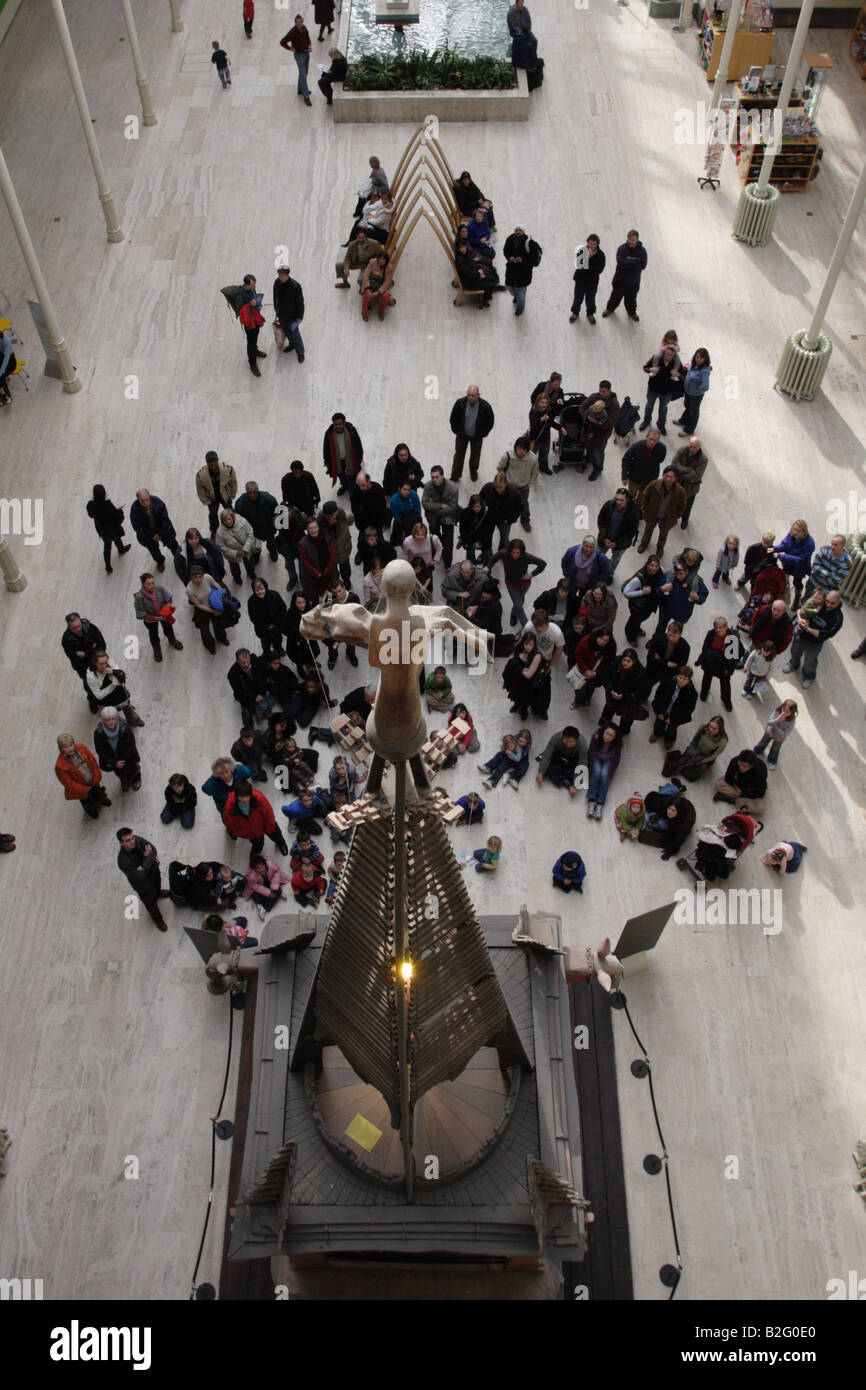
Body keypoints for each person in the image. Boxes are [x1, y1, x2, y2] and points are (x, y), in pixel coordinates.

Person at [783, 589, 843, 688]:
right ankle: (793, 664)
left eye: (832, 603)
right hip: (802, 634)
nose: (828, 605)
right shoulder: (818, 602)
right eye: (827, 601)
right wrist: (800, 619)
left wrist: (807, 628)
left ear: (838, 603)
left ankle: (808, 677)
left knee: (810, 660)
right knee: (795, 650)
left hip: (815, 642)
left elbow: (825, 634)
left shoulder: (837, 618)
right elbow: (801, 610)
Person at [117, 828, 170, 931]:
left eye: (132, 837)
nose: (133, 841)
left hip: (153, 872)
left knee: (157, 884)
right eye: (128, 840)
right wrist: (147, 859)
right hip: (143, 885)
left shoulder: (137, 840)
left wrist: (143, 866)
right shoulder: (123, 862)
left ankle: (158, 893)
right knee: (150, 903)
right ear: (121, 843)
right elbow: (139, 877)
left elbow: (153, 850)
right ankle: (158, 919)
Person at [489, 537, 545, 628]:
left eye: (518, 553)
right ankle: (527, 627)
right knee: (519, 605)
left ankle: (513, 614)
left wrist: (531, 574)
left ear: (521, 552)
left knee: (519, 601)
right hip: (511, 585)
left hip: (525, 584)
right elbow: (494, 558)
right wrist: (488, 567)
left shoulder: (526, 557)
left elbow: (542, 563)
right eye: (513, 552)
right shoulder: (504, 553)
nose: (515, 555)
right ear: (509, 550)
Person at [223, 781, 289, 855]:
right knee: (257, 844)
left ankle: (281, 844)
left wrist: (270, 827)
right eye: (241, 796)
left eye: (247, 796)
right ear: (236, 796)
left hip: (264, 824)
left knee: (276, 835)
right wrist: (238, 831)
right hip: (251, 831)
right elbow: (228, 820)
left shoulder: (259, 799)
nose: (244, 799)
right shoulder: (230, 805)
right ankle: (256, 851)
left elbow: (268, 814)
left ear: (251, 794)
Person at [55, 734, 111, 819]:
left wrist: (96, 776)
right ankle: (92, 811)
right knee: (87, 802)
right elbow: (69, 783)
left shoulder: (81, 748)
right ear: (61, 749)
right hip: (81, 789)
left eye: (71, 745)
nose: (70, 748)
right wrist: (85, 789)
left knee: (98, 793)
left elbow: (92, 761)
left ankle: (102, 800)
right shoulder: (60, 766)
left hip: (92, 781)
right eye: (66, 747)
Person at [637, 467, 687, 558]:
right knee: (648, 530)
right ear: (663, 475)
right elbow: (645, 496)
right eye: (666, 476)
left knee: (663, 535)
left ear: (675, 478)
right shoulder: (654, 485)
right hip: (652, 514)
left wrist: (676, 516)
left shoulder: (680, 492)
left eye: (671, 477)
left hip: (667, 518)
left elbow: (682, 506)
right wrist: (645, 508)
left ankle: (660, 548)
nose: (668, 479)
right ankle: (644, 543)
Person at [694, 616, 742, 711]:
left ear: (726, 627)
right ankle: (704, 693)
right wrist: (701, 659)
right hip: (711, 662)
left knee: (725, 684)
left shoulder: (732, 638)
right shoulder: (711, 634)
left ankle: (726, 700)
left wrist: (729, 669)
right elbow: (705, 648)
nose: (718, 629)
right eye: (716, 627)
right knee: (707, 678)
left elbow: (735, 657)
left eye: (720, 627)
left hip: (724, 666)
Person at [134, 572, 184, 662]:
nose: (152, 585)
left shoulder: (159, 588)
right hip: (151, 620)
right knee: (153, 634)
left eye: (152, 582)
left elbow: (168, 598)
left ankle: (172, 640)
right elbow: (141, 614)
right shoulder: (139, 597)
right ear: (143, 584)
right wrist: (157, 618)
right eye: (148, 584)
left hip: (164, 615)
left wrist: (168, 606)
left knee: (168, 628)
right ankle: (157, 649)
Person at [449, 385, 495, 483]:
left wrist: (483, 433)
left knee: (475, 456)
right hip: (462, 435)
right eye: (469, 395)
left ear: (478, 395)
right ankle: (455, 474)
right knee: (459, 456)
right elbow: (453, 418)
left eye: (473, 395)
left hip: (477, 436)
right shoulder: (460, 403)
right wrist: (456, 431)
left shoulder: (485, 406)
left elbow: (490, 421)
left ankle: (473, 471)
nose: (470, 397)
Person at [62, 613, 108, 711]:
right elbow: (74, 658)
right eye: (74, 628)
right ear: (69, 627)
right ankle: (92, 700)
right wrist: (93, 650)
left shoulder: (91, 628)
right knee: (89, 686)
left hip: (99, 662)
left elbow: (102, 646)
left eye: (79, 626)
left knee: (106, 680)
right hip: (83, 668)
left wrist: (85, 654)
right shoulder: (67, 640)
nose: (78, 629)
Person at [86, 651, 145, 726]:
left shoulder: (110, 663)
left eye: (105, 663)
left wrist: (113, 672)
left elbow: (120, 676)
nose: (104, 666)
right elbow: (99, 695)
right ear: (95, 663)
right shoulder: (91, 676)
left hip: (119, 694)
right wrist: (114, 684)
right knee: (113, 715)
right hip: (107, 700)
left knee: (127, 707)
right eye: (101, 664)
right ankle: (121, 726)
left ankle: (134, 720)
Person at [654, 556, 708, 635]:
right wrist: (662, 589)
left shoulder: (696, 581)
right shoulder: (670, 576)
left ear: (687, 572)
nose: (678, 576)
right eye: (676, 573)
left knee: (676, 631)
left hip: (682, 613)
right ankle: (657, 639)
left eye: (680, 574)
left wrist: (697, 598)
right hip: (666, 609)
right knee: (661, 626)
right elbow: (657, 589)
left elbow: (704, 594)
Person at [598, 648, 646, 735]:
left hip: (627, 701)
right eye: (624, 660)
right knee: (609, 708)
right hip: (612, 694)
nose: (625, 663)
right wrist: (610, 688)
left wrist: (625, 696)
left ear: (634, 661)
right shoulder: (615, 662)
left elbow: (640, 692)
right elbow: (606, 674)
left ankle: (623, 730)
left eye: (628, 661)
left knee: (627, 717)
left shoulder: (640, 673)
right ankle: (605, 722)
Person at [129, 489, 180, 572]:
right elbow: (137, 527)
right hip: (147, 536)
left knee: (173, 545)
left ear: (149, 496)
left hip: (164, 530)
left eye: (147, 500)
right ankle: (160, 561)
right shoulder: (135, 510)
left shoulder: (158, 502)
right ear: (138, 500)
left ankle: (179, 559)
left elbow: (165, 518)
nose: (146, 503)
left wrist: (160, 533)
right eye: (142, 501)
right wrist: (152, 535)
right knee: (154, 550)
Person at [638, 787, 696, 859]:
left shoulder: (684, 826)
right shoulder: (671, 801)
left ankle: (675, 788)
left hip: (680, 822)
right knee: (657, 802)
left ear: (678, 812)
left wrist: (670, 852)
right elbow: (665, 809)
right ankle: (676, 788)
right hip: (679, 804)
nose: (669, 812)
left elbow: (678, 841)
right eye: (669, 809)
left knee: (649, 822)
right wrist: (658, 815)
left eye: (673, 810)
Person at [503, 631, 550, 719]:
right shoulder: (519, 649)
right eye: (526, 643)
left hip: (528, 684)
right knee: (516, 696)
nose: (528, 647)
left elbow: (529, 675)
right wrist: (521, 670)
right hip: (517, 681)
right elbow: (510, 661)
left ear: (534, 644)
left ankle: (524, 711)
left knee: (525, 700)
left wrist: (518, 669)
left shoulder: (537, 656)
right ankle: (516, 706)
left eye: (530, 644)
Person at [185, 563, 231, 654]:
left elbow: (218, 587)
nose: (198, 580)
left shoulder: (207, 577)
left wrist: (221, 601)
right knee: (204, 630)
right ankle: (209, 645)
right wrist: (213, 611)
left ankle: (221, 637)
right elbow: (198, 605)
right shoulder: (189, 590)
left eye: (200, 576)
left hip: (213, 603)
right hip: (202, 608)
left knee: (219, 623)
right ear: (191, 577)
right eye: (195, 577)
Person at [579, 381, 620, 480]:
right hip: (588, 430)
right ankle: (588, 459)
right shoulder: (594, 397)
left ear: (609, 391)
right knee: (588, 446)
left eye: (604, 391)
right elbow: (582, 407)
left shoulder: (614, 404)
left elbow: (612, 421)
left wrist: (596, 422)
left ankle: (597, 468)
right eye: (600, 391)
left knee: (598, 452)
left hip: (601, 434)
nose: (601, 393)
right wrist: (587, 417)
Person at [603, 230, 647, 321]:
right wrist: (635, 262)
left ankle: (632, 312)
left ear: (637, 239)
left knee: (631, 300)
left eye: (633, 240)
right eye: (629, 239)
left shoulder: (642, 251)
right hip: (620, 281)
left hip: (633, 282)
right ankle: (610, 309)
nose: (630, 242)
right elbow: (620, 263)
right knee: (615, 297)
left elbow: (643, 265)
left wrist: (628, 263)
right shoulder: (622, 249)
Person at [94, 707, 141, 792]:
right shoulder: (98, 733)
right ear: (103, 720)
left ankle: (136, 779)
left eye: (113, 719)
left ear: (117, 718)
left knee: (134, 769)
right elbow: (100, 751)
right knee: (119, 773)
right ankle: (124, 781)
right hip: (113, 761)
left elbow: (131, 746)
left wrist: (121, 760)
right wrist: (114, 762)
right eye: (108, 720)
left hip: (128, 757)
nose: (111, 722)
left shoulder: (125, 729)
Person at [421, 467, 459, 569]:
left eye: (437, 477)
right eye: (432, 477)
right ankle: (435, 553)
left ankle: (447, 564)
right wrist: (440, 505)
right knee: (434, 537)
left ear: (442, 476)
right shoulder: (428, 486)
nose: (434, 479)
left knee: (448, 541)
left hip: (446, 515)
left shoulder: (453, 488)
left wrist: (434, 509)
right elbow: (424, 503)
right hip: (434, 516)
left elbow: (452, 508)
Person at [86, 485, 130, 574]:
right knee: (117, 538)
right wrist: (120, 511)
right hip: (113, 528)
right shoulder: (108, 505)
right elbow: (118, 517)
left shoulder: (91, 505)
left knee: (107, 546)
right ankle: (121, 549)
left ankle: (108, 566)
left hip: (103, 530)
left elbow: (91, 515)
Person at [569, 629, 616, 711]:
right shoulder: (586, 641)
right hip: (583, 671)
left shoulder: (610, 647)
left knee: (591, 688)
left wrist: (596, 673)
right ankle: (577, 701)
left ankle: (587, 699)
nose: (602, 642)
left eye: (605, 640)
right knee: (579, 688)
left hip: (596, 675)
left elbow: (609, 663)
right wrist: (585, 670)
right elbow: (578, 654)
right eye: (600, 638)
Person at [650, 665, 697, 747]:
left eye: (685, 679)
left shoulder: (692, 693)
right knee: (659, 723)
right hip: (663, 710)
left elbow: (688, 710)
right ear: (677, 676)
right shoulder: (667, 681)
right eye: (680, 677)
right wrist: (659, 712)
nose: (681, 681)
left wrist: (673, 719)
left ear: (689, 680)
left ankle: (669, 740)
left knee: (672, 729)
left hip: (676, 716)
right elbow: (658, 696)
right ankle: (657, 734)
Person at [772, 521, 815, 608]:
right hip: (788, 564)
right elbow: (784, 545)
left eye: (798, 530)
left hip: (799, 568)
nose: (795, 532)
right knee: (783, 579)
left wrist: (781, 556)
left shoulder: (810, 543)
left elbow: (800, 560)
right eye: (794, 529)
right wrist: (775, 549)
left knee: (797, 582)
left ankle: (797, 596)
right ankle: (781, 597)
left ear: (804, 532)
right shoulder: (791, 535)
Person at [640, 345, 682, 435]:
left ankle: (661, 425)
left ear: (674, 355)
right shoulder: (656, 359)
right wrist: (651, 369)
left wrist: (677, 374)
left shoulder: (676, 363)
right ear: (664, 353)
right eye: (667, 354)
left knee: (663, 409)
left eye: (671, 355)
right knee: (649, 406)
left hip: (667, 392)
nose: (668, 356)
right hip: (653, 389)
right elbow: (645, 367)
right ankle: (646, 421)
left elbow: (683, 374)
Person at [196, 452, 238, 539]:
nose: (212, 463)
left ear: (217, 460)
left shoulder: (227, 469)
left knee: (230, 511)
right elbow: (200, 490)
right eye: (210, 461)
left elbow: (233, 482)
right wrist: (207, 501)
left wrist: (232, 494)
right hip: (212, 497)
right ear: (207, 462)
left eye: (214, 460)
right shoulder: (201, 475)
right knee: (212, 514)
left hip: (225, 495)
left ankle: (234, 527)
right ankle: (214, 531)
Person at [622, 555, 664, 642]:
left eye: (656, 566)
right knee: (633, 620)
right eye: (652, 565)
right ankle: (630, 636)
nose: (654, 568)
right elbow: (626, 592)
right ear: (647, 565)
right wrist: (642, 592)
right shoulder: (639, 578)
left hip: (649, 604)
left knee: (642, 618)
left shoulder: (661, 571)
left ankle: (636, 629)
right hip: (638, 605)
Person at [478, 473, 523, 555]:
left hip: (504, 521)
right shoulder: (488, 488)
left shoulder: (514, 494)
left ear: (506, 484)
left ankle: (501, 554)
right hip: (489, 518)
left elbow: (520, 508)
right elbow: (480, 499)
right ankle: (485, 554)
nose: (498, 489)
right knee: (486, 537)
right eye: (496, 486)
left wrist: (510, 520)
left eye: (500, 487)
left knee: (504, 538)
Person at [670, 436, 709, 529]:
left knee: (687, 505)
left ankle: (685, 519)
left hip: (690, 488)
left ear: (699, 447)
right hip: (678, 483)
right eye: (691, 446)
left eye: (694, 447)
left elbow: (696, 476)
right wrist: (689, 470)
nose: (692, 449)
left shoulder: (703, 459)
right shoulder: (682, 451)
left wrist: (680, 472)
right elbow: (673, 465)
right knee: (673, 500)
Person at [674, 716, 728, 783]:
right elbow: (695, 739)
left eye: (714, 728)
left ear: (720, 730)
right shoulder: (704, 727)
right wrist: (691, 749)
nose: (710, 729)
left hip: (705, 756)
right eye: (710, 726)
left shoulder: (723, 741)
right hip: (695, 749)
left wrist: (699, 762)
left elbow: (713, 756)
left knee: (696, 771)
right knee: (681, 762)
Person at [227, 648, 272, 726]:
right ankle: (248, 727)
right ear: (237, 661)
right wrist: (254, 696)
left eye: (248, 661)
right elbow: (239, 692)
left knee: (266, 700)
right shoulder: (233, 674)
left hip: (258, 688)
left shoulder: (254, 659)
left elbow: (263, 675)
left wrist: (261, 692)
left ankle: (265, 714)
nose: (246, 664)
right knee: (246, 711)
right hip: (246, 695)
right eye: (243, 663)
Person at [502, 226, 541, 317]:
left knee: (521, 290)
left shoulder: (529, 243)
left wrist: (523, 260)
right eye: (516, 230)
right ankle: (518, 297)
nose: (518, 232)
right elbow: (505, 250)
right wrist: (509, 257)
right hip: (511, 269)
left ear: (523, 232)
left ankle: (520, 306)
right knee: (509, 287)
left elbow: (533, 258)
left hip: (523, 271)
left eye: (520, 230)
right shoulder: (510, 239)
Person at [714, 750, 767, 815]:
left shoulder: (760, 770)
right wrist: (736, 786)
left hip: (750, 791)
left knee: (760, 808)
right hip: (737, 785)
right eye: (740, 764)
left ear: (751, 766)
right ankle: (742, 803)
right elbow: (728, 778)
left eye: (745, 766)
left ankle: (732, 800)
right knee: (718, 784)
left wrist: (743, 793)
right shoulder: (735, 761)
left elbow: (761, 792)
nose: (741, 767)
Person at [586, 724, 622, 819]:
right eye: (606, 733)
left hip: (609, 760)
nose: (607, 737)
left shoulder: (617, 744)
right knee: (596, 772)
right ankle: (592, 799)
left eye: (611, 736)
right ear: (603, 731)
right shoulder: (596, 736)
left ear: (614, 738)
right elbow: (590, 752)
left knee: (605, 774)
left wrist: (612, 771)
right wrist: (591, 767)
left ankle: (600, 802)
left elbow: (617, 759)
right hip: (596, 757)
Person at [561, 534, 613, 598]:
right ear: (582, 544)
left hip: (589, 586)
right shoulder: (572, 551)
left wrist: (598, 583)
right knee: (570, 597)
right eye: (586, 546)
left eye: (591, 547)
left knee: (583, 598)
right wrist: (567, 574)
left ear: (594, 547)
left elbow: (607, 571)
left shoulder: (600, 557)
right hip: (573, 582)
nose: (588, 549)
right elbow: (564, 562)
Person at [323, 413, 364, 495]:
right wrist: (327, 461)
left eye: (340, 424)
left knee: (351, 476)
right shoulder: (329, 433)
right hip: (337, 461)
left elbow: (358, 444)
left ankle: (352, 491)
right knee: (341, 476)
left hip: (350, 460)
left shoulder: (351, 430)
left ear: (344, 423)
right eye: (335, 424)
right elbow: (326, 448)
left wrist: (360, 457)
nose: (338, 426)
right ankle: (345, 486)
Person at [536, 726, 584, 796]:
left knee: (579, 776)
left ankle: (564, 779)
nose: (568, 744)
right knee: (544, 765)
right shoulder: (556, 737)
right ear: (562, 737)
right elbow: (547, 754)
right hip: (559, 754)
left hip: (573, 759)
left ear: (576, 740)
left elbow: (582, 765)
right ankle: (565, 783)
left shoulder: (582, 745)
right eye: (566, 741)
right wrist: (540, 773)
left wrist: (575, 786)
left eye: (571, 742)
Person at [247, 576, 288, 657]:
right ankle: (267, 652)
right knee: (265, 643)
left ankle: (278, 649)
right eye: (257, 590)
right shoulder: (251, 601)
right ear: (254, 591)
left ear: (265, 588)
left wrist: (275, 624)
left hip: (277, 626)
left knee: (278, 640)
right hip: (263, 629)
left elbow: (283, 609)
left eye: (262, 589)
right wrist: (267, 626)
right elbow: (253, 618)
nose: (260, 592)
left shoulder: (275, 595)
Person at [570, 235, 605, 325]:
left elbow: (599, 269)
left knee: (591, 299)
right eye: (590, 243)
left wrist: (588, 264)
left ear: (597, 244)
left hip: (592, 282)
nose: (591, 245)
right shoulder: (582, 251)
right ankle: (575, 312)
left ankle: (590, 314)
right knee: (578, 297)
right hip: (580, 280)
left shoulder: (601, 255)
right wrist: (587, 258)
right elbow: (579, 265)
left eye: (593, 244)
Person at [675, 348, 711, 436]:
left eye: (701, 358)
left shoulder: (705, 371)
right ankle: (683, 420)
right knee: (687, 406)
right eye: (697, 357)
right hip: (688, 392)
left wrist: (699, 389)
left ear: (705, 359)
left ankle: (689, 430)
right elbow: (686, 369)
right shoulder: (693, 365)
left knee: (693, 411)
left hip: (696, 395)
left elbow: (705, 385)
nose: (698, 359)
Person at [621, 429, 665, 500]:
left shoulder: (662, 449)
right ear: (646, 437)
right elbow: (626, 460)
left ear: (658, 440)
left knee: (643, 499)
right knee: (630, 497)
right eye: (650, 439)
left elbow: (661, 460)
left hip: (649, 480)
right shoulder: (636, 447)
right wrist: (624, 476)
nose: (652, 442)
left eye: (655, 440)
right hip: (635, 478)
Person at [244, 854, 291, 921]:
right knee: (255, 896)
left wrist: (274, 886)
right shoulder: (252, 876)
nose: (261, 869)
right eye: (258, 868)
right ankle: (263, 906)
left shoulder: (271, 865)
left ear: (265, 864)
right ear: (254, 869)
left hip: (269, 880)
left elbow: (277, 873)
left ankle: (264, 904)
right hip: (258, 887)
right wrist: (268, 893)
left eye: (262, 866)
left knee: (277, 889)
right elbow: (255, 886)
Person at [753, 698, 797, 769]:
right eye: (784, 709)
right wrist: (777, 720)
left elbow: (784, 735)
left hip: (779, 738)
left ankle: (772, 760)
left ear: (792, 713)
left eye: (787, 712)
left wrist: (776, 723)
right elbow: (769, 722)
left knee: (775, 750)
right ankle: (758, 750)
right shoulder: (777, 711)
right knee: (763, 742)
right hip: (769, 732)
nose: (784, 713)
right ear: (782, 706)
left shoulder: (791, 721)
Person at [805, 534, 851, 601]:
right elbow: (814, 566)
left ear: (843, 546)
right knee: (805, 601)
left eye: (836, 545)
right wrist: (829, 574)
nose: (832, 547)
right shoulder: (824, 549)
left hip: (825, 590)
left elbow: (834, 581)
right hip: (812, 583)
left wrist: (820, 571)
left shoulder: (847, 564)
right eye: (832, 544)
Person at [317, 501, 353, 585]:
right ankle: (337, 583)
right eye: (329, 516)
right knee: (333, 572)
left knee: (346, 568)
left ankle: (347, 580)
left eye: (333, 514)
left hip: (344, 549)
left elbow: (351, 520)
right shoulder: (320, 525)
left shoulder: (343, 516)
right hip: (330, 554)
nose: (332, 518)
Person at [280, 14, 313, 104]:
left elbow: (308, 38)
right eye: (298, 22)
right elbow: (282, 42)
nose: (299, 23)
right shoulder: (293, 32)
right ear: (295, 23)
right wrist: (290, 48)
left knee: (304, 73)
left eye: (301, 22)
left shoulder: (304, 28)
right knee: (303, 74)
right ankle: (306, 96)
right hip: (299, 55)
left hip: (306, 53)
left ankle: (300, 89)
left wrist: (309, 45)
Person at [351, 472, 390, 536]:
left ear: (369, 481)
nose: (361, 488)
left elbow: (382, 508)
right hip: (363, 526)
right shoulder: (355, 490)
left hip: (377, 525)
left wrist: (382, 523)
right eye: (359, 485)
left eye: (363, 485)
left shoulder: (377, 488)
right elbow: (355, 509)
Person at [239, 290, 266, 375]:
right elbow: (240, 312)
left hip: (256, 322)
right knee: (251, 343)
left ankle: (255, 350)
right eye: (253, 284)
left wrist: (258, 306)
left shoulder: (252, 291)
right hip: (250, 326)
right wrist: (250, 305)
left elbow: (255, 305)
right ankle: (252, 363)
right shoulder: (241, 296)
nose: (254, 286)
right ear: (247, 284)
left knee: (254, 340)